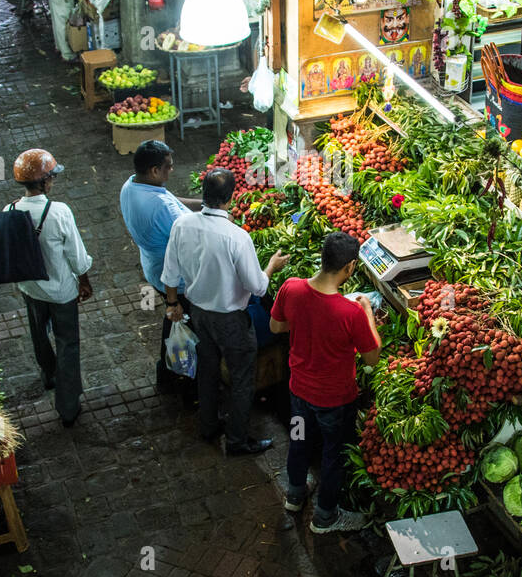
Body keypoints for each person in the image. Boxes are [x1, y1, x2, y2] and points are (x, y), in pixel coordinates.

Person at [163, 168, 290, 455]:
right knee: (242, 379)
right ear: (230, 197)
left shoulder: (182, 225)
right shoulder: (237, 237)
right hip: (231, 320)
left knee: (207, 371)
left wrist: (172, 305)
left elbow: (169, 274)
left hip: (198, 314)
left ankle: (208, 426)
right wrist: (271, 266)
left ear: (204, 195)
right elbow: (257, 287)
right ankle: (237, 441)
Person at [270, 232, 380, 533]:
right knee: (334, 454)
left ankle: (294, 494)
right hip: (336, 400)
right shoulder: (351, 312)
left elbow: (276, 326)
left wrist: (309, 324)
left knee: (299, 440)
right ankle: (325, 516)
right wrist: (367, 312)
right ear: (350, 267)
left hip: (298, 391)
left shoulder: (290, 288)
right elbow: (372, 358)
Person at [5, 149, 94, 427]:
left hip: (30, 288)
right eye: (51, 177)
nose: (53, 181)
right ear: (44, 182)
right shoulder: (58, 212)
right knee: (68, 343)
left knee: (38, 333)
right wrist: (84, 280)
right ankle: (67, 407)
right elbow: (77, 257)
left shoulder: (9, 211)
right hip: (61, 292)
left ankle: (49, 375)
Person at [119, 140, 202, 398]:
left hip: (153, 266)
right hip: (173, 277)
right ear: (154, 170)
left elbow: (172, 199)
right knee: (186, 324)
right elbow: (193, 237)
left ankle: (166, 372)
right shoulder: (162, 209)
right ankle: (188, 381)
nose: (172, 171)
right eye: (168, 167)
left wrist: (204, 203)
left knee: (174, 321)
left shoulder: (131, 185)